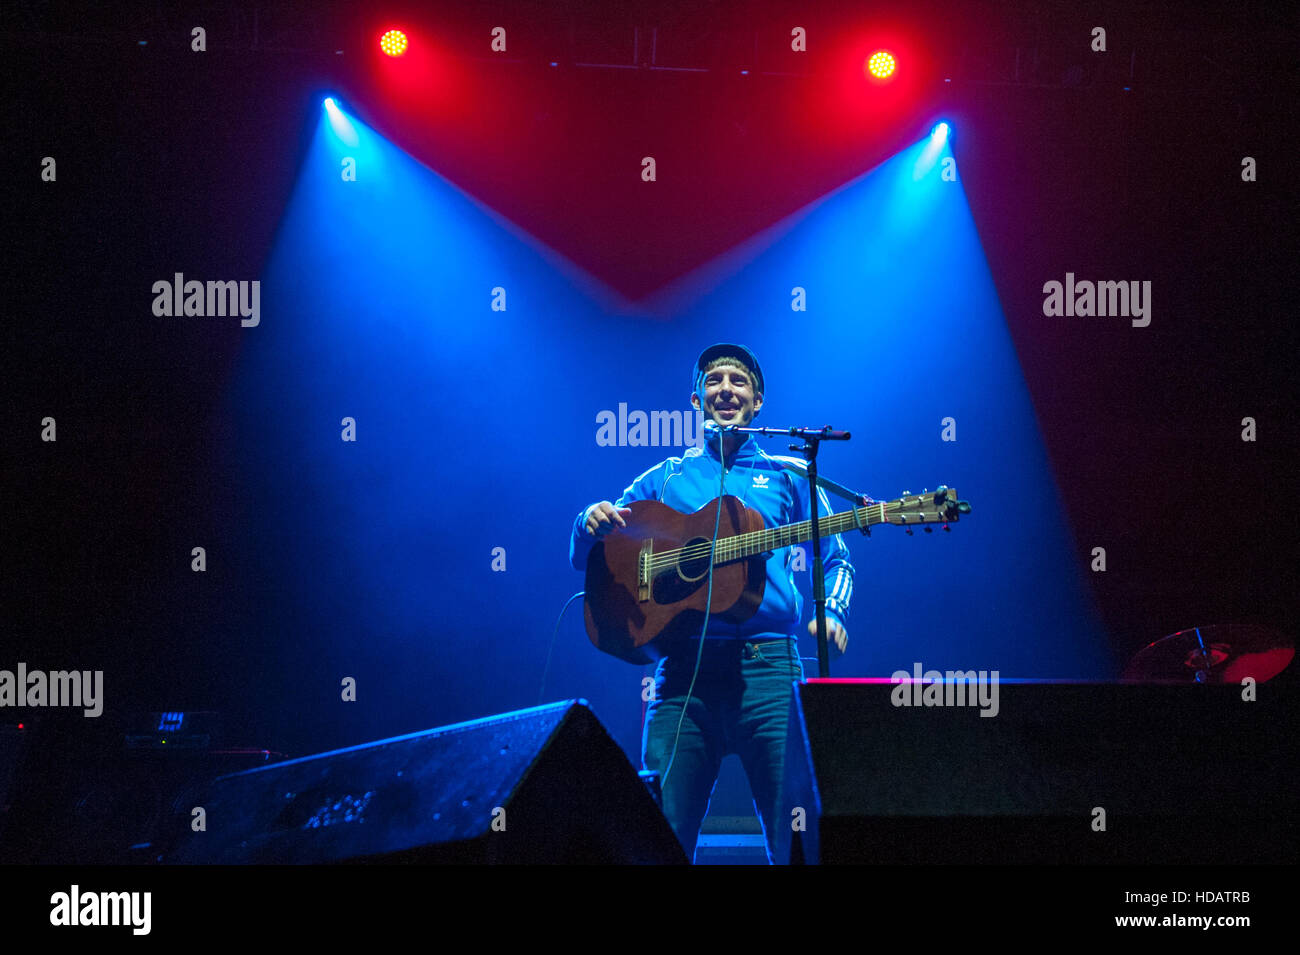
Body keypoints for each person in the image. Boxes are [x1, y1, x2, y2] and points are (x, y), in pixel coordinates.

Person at [568, 343, 856, 863]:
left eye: (738, 381)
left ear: (758, 401)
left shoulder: (791, 474)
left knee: (796, 837)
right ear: (696, 398)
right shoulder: (666, 478)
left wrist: (831, 611)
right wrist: (587, 520)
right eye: (715, 380)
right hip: (683, 680)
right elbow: (598, 548)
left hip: (768, 673)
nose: (726, 389)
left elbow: (837, 557)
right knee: (656, 834)